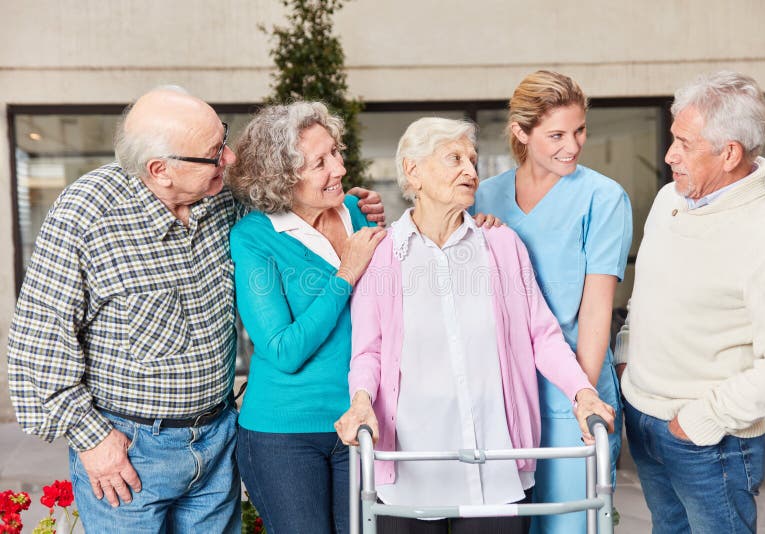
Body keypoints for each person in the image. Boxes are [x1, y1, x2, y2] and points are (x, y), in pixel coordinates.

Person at [6, 87, 384, 534]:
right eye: (212, 153)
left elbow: (290, 193)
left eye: (221, 139)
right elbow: (38, 344)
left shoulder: (222, 195)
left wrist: (352, 201)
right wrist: (93, 440)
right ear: (160, 170)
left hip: (216, 438)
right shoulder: (87, 213)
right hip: (131, 448)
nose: (227, 158)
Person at [335, 117, 615, 534]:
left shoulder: (501, 246)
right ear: (413, 171)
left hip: (495, 466)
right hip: (410, 468)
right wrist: (361, 401)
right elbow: (369, 351)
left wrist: (583, 393)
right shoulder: (384, 254)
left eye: (473, 159)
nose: (471, 170)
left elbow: (542, 335)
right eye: (454, 158)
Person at [616, 71, 765, 533]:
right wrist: (625, 359)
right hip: (643, 417)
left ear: (730, 153)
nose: (668, 154)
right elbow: (646, 295)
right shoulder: (668, 199)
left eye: (684, 142)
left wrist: (702, 419)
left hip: (708, 441)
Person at [473, 70, 632, 533]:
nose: (573, 145)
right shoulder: (485, 196)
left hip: (572, 391)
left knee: (570, 525)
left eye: (579, 130)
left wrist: (580, 395)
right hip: (503, 394)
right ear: (522, 133)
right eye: (557, 134)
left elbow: (597, 308)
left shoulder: (603, 198)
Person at [225, 101, 387, 534]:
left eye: (336, 152)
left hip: (359, 422)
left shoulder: (354, 212)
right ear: (281, 177)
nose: (338, 168)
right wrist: (346, 273)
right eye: (320, 163)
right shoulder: (255, 237)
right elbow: (282, 349)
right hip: (284, 435)